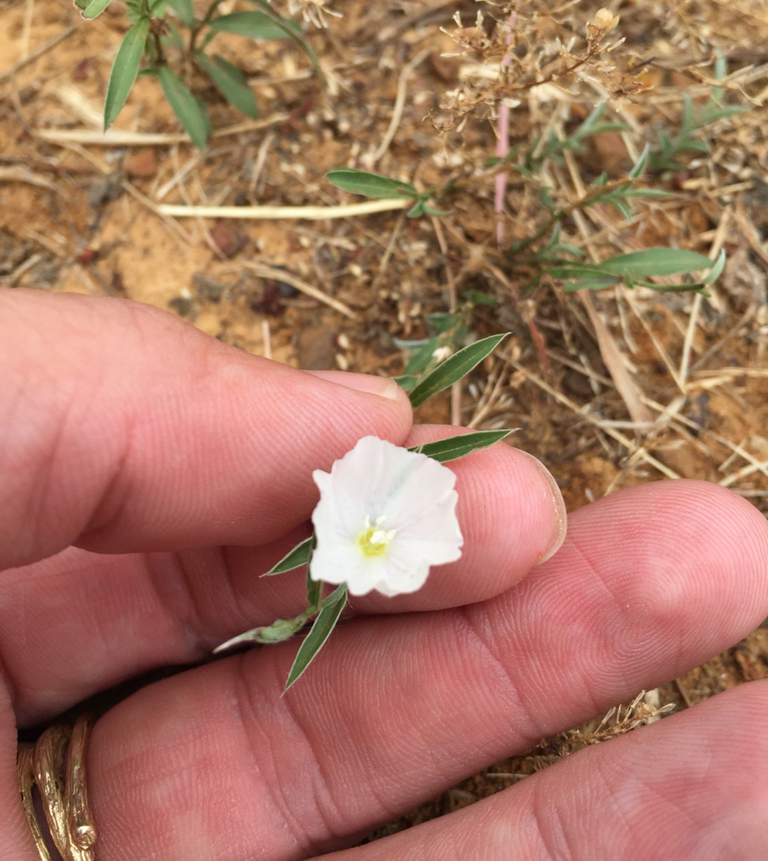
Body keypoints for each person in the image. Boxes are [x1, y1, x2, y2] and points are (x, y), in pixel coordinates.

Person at [1, 288, 766, 861]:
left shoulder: (390, 531)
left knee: (503, 518)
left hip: (359, 542)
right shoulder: (340, 516)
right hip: (339, 536)